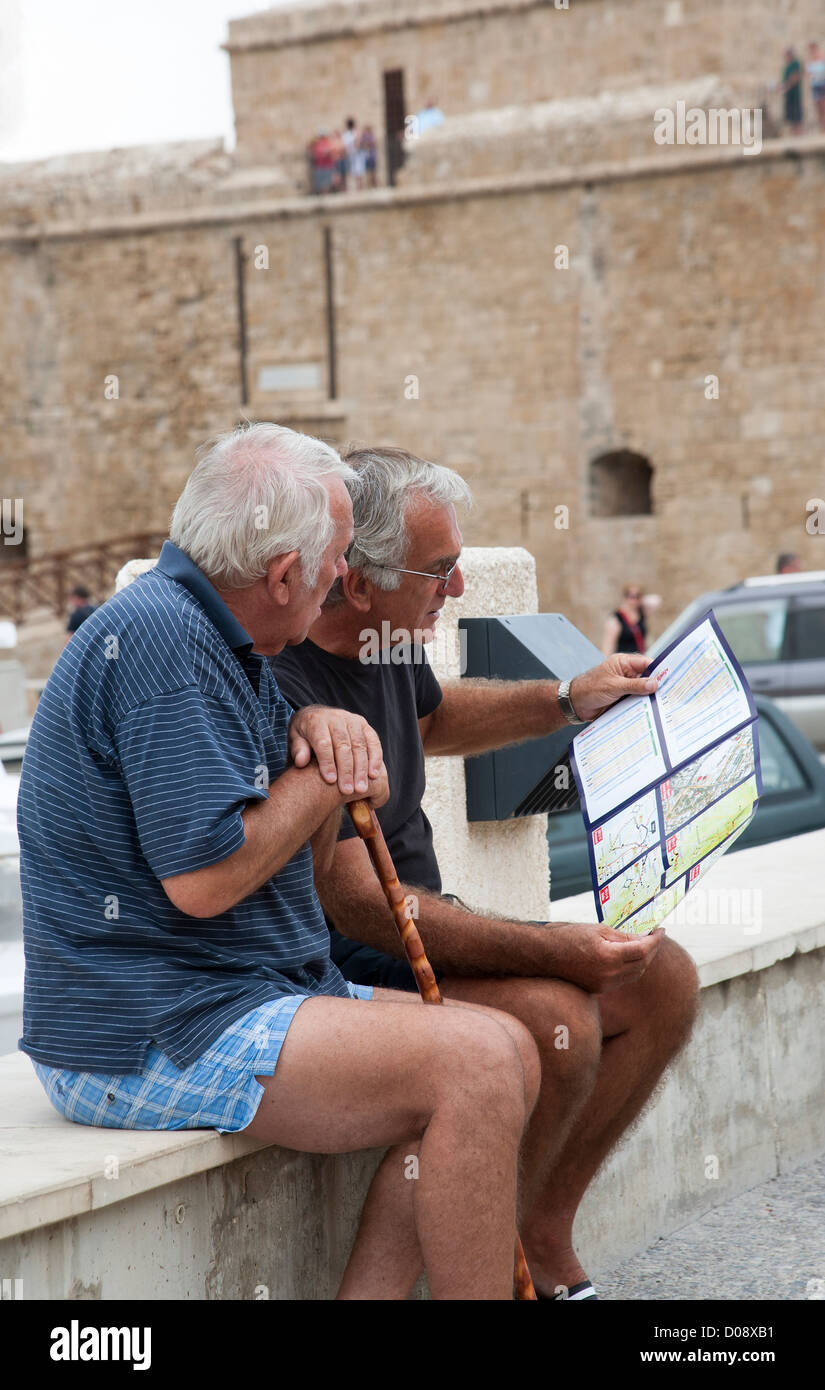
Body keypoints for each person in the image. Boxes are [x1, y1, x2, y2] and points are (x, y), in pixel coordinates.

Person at [19, 423, 549, 1300]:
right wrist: (319, 778)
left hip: (234, 991)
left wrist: (311, 734)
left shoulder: (221, 634)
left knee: (508, 1048)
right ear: (281, 577)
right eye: (339, 559)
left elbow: (290, 879)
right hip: (145, 1031)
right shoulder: (164, 642)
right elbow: (205, 881)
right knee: (478, 1064)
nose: (347, 578)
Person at [271, 445, 700, 1300]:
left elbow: (431, 718)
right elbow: (357, 903)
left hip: (422, 922)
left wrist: (564, 699)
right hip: (353, 959)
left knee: (664, 980)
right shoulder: (287, 687)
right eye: (441, 570)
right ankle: (496, 1270)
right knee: (552, 1017)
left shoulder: (386, 637)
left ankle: (537, 1232)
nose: (457, 589)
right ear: (356, 582)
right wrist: (554, 950)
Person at [601, 582, 659, 657]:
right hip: (624, 663)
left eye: (638, 596)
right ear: (625, 597)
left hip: (640, 659)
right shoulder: (615, 619)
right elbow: (608, 647)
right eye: (631, 596)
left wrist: (641, 599)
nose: (634, 600)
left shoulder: (642, 612)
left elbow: (656, 600)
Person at [782, 47, 804, 134]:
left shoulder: (795, 64)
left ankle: (798, 131)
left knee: (796, 113)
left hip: (794, 93)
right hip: (789, 94)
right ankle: (793, 132)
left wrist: (787, 85)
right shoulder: (787, 66)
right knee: (790, 114)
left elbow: (796, 76)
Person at [806, 41, 825, 131]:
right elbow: (808, 74)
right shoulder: (810, 60)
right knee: (817, 107)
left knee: (823, 106)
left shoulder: (822, 58)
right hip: (815, 85)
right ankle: (821, 126)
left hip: (822, 84)